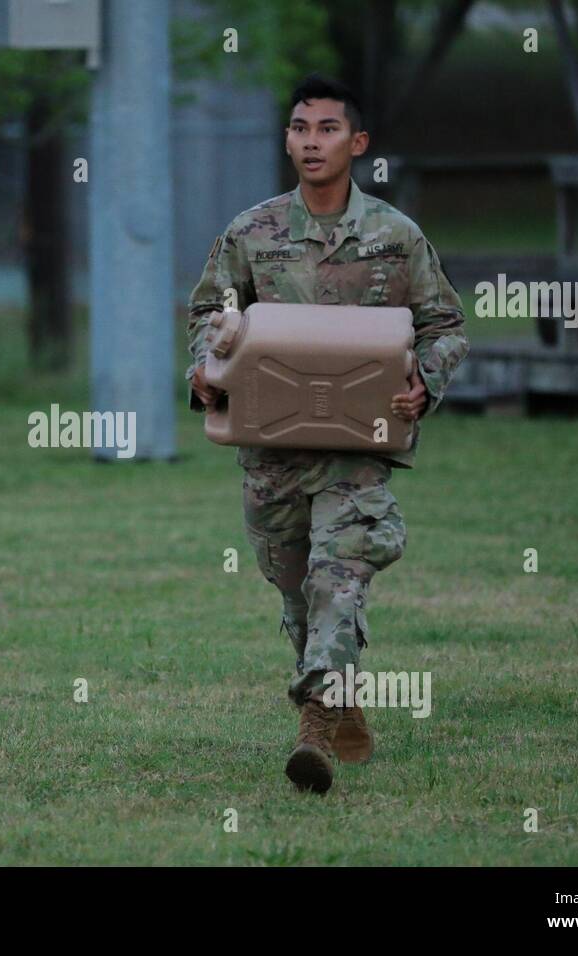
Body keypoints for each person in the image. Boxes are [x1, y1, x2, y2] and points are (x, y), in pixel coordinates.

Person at [186, 74, 469, 793]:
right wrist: (204, 370)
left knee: (335, 578)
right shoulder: (250, 233)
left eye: (327, 129)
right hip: (271, 450)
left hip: (359, 450)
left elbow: (445, 327)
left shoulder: (395, 237)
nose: (311, 142)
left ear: (357, 143)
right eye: (300, 128)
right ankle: (340, 693)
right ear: (287, 139)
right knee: (295, 593)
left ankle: (314, 719)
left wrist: (423, 383)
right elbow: (207, 318)